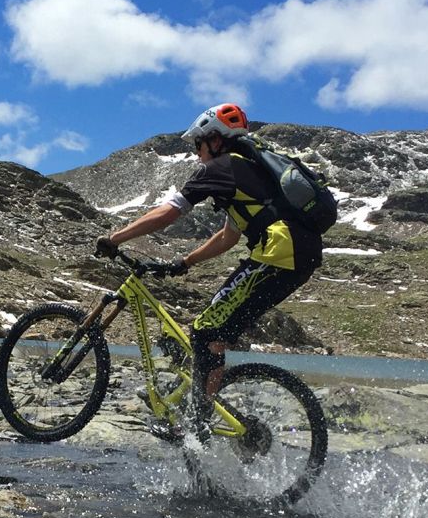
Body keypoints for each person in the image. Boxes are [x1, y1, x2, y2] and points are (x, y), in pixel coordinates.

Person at [95, 103, 322, 423]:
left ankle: (196, 425)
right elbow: (229, 236)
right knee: (212, 333)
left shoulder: (221, 167)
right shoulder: (244, 172)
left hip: (280, 253)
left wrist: (116, 238)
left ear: (215, 139)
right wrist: (186, 261)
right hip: (297, 255)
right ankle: (199, 407)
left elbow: (170, 211)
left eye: (198, 144)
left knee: (204, 330)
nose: (196, 153)